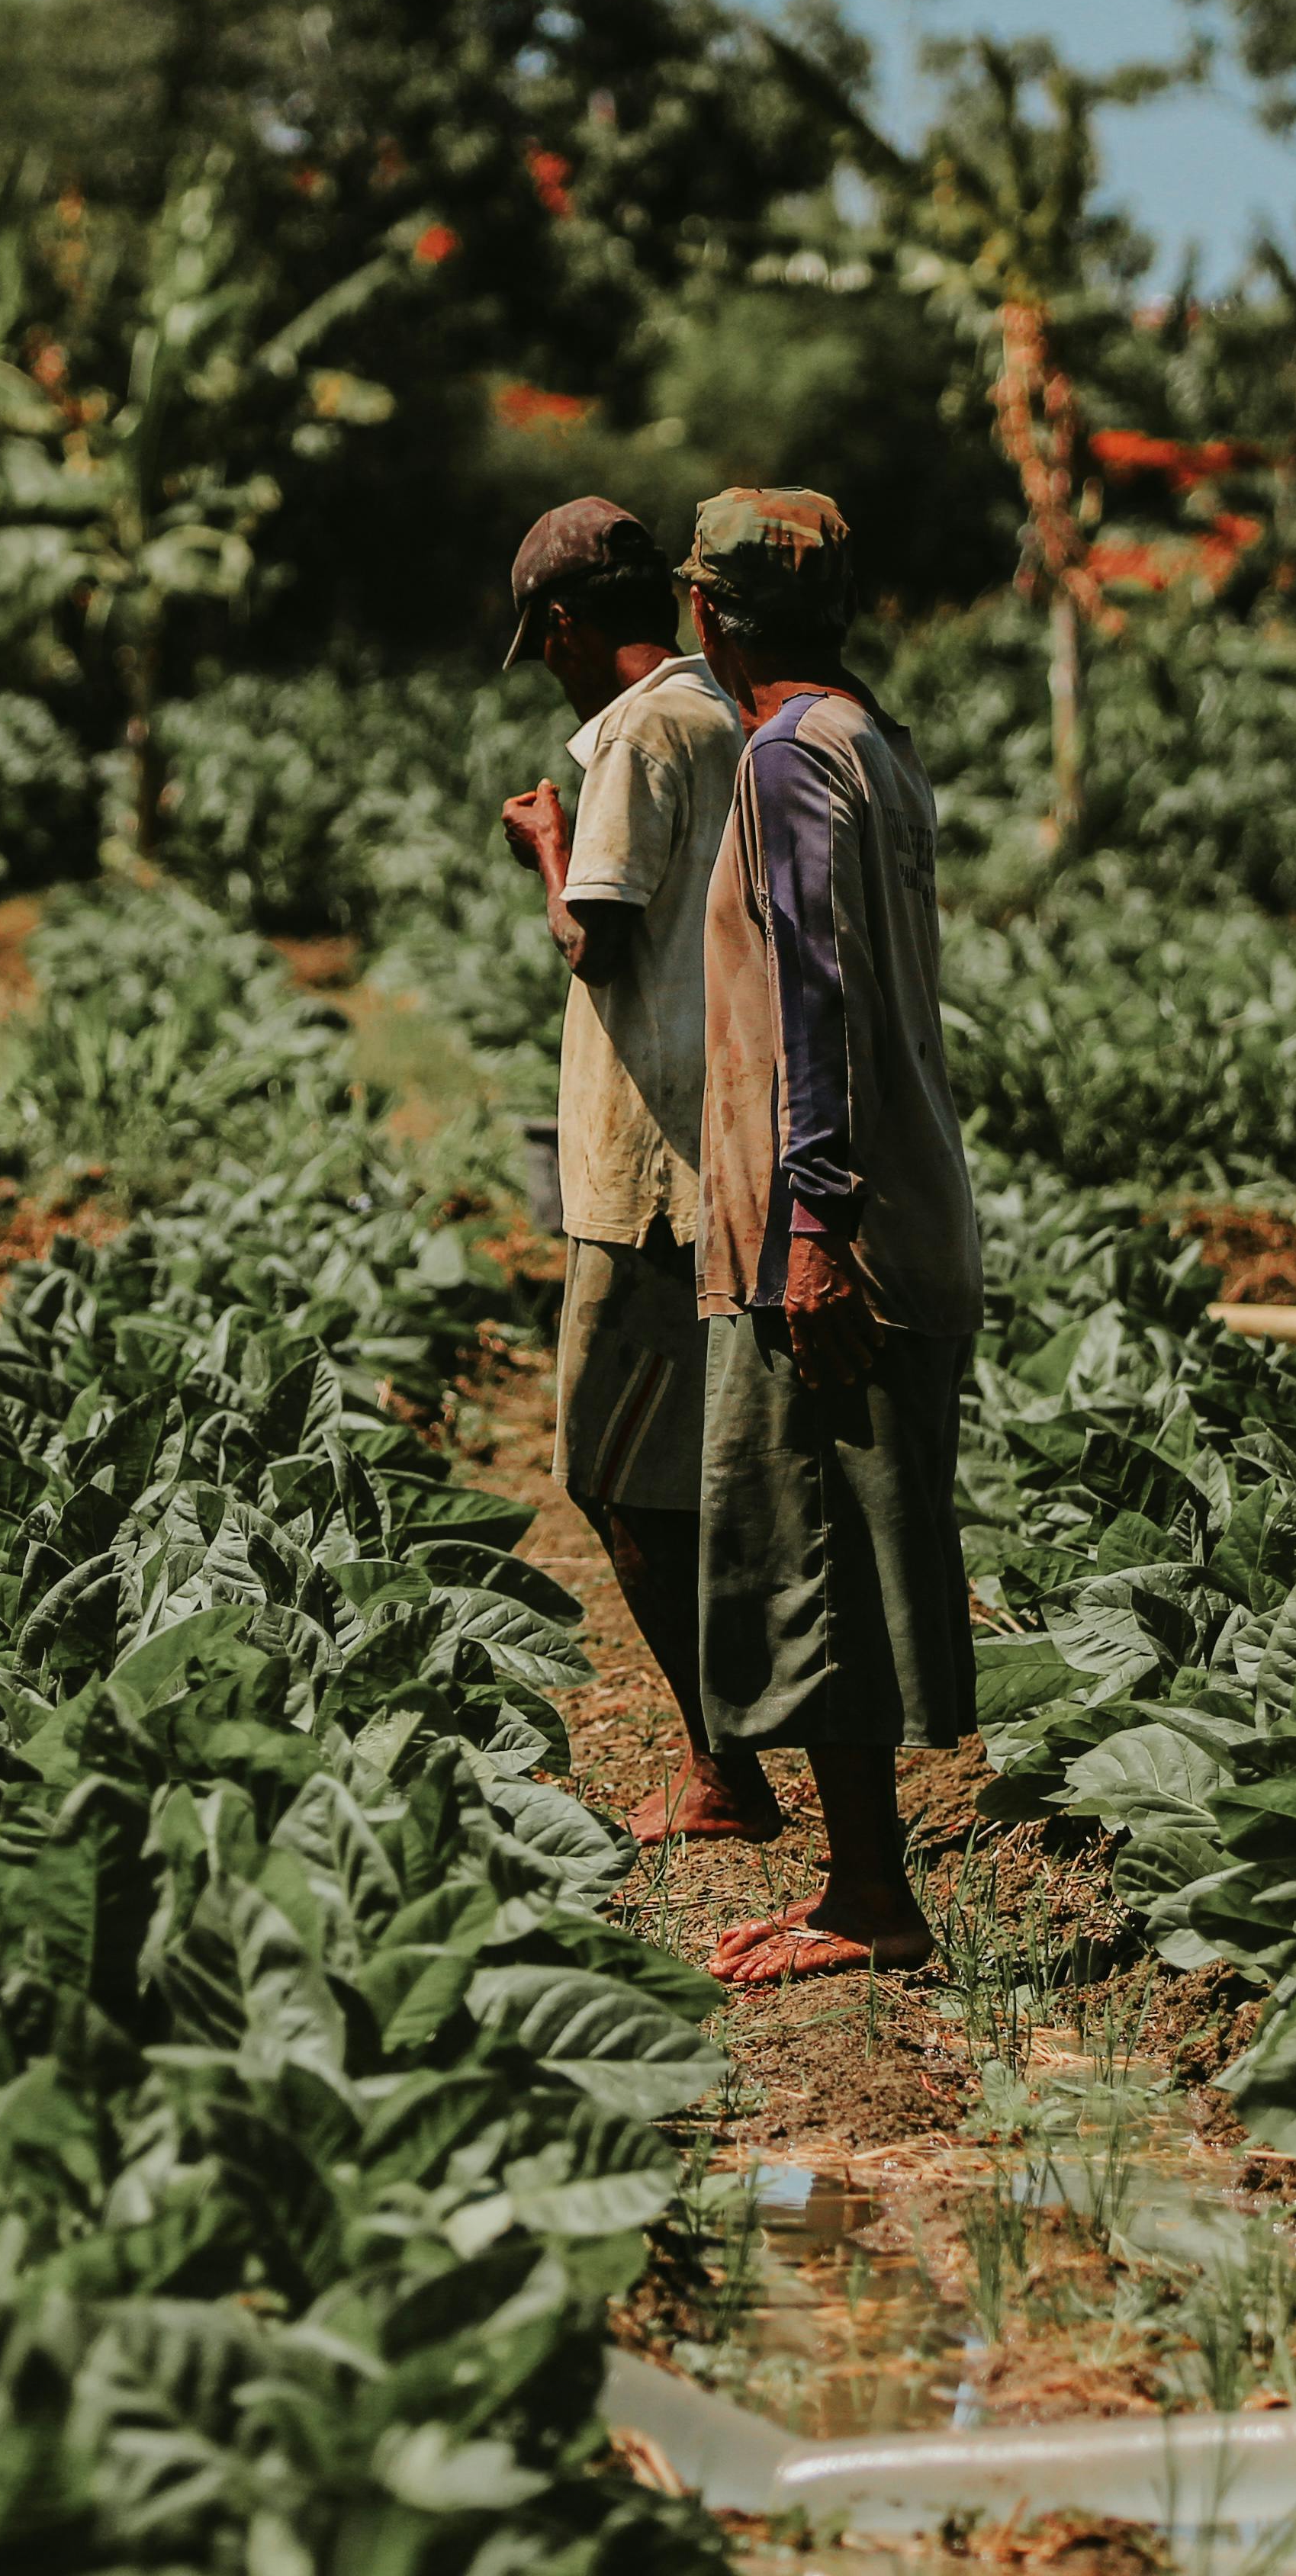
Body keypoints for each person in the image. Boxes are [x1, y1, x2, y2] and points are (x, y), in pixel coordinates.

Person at [674, 489, 985, 1990]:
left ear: (707, 618)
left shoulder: (785, 759)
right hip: (903, 1204)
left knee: (814, 1554)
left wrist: (809, 1222)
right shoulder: (874, 744)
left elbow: (817, 991)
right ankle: (862, 1883)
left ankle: (869, 1892)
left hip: (831, 1222)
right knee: (849, 1552)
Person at [492, 496, 782, 1846]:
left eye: (539, 641)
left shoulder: (636, 734)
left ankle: (724, 1766)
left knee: (604, 1468)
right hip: (718, 1132)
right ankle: (737, 1750)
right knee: (675, 1464)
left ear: (562, 625)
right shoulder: (726, 715)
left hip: (649, 1162)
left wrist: (544, 849)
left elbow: (594, 937)